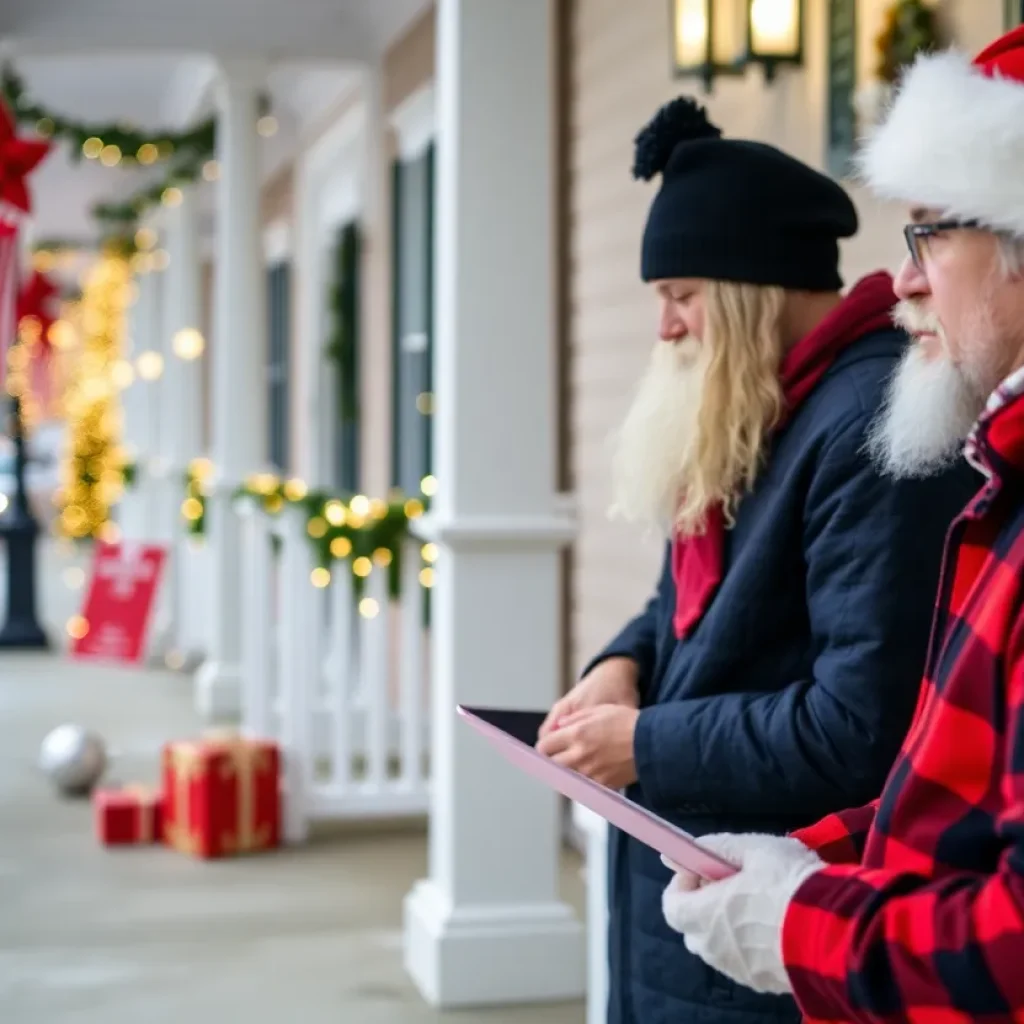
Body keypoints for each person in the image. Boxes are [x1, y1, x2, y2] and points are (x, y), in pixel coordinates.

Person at [535, 96, 981, 1024]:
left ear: (753, 289)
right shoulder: (763, 407)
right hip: (697, 910)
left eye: (681, 297)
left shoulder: (867, 432)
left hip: (775, 931)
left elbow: (859, 724)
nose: (665, 329)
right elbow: (679, 614)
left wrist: (642, 743)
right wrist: (620, 668)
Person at [658, 24, 1024, 1024]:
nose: (902, 276)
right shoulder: (1001, 477)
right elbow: (952, 801)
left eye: (928, 232)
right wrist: (817, 857)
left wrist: (800, 919)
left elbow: (1012, 937)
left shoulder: (876, 431)